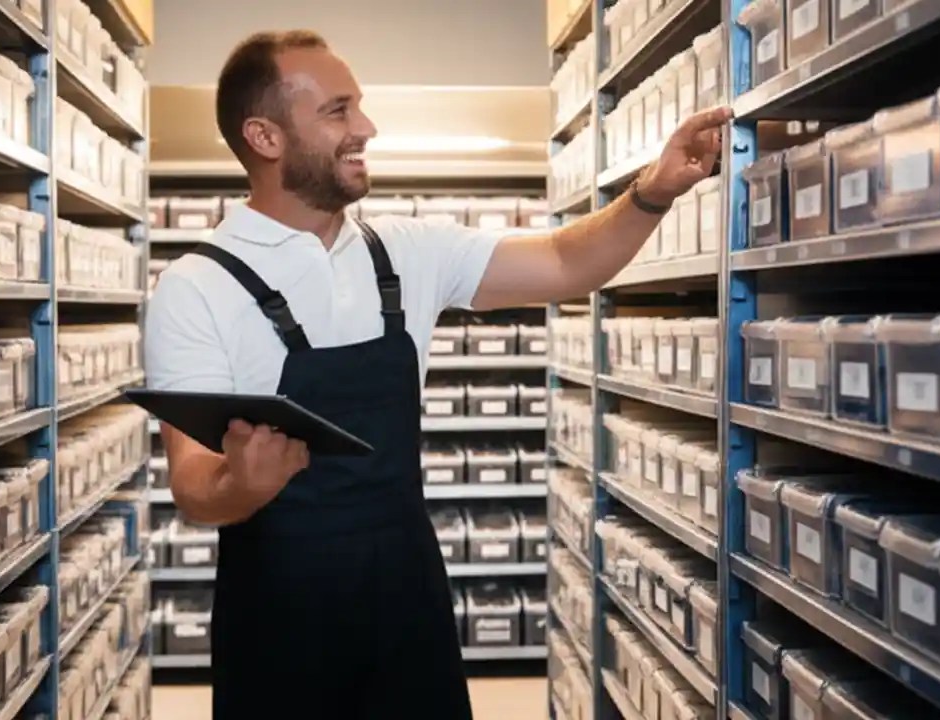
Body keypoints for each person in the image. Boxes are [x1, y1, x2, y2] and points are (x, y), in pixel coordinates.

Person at [144, 29, 731, 720]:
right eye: (337, 111)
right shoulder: (196, 287)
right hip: (278, 617)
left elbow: (568, 263)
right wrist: (239, 483)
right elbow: (192, 485)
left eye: (357, 106)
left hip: (407, 599)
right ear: (265, 137)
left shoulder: (405, 250)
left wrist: (653, 192)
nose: (366, 126)